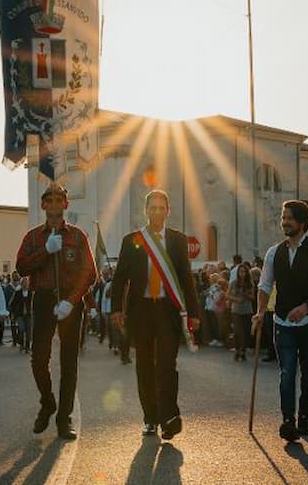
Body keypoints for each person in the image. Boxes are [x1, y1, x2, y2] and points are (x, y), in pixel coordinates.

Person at [110, 189, 199, 441]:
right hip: (141, 311)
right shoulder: (133, 240)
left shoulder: (178, 240)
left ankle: (169, 416)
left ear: (168, 211)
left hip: (167, 311)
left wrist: (193, 312)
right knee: (145, 366)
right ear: (146, 210)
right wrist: (117, 308)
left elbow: (186, 279)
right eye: (153, 208)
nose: (157, 212)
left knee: (167, 366)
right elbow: (120, 279)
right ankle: (150, 418)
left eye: (162, 208)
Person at [15, 183, 98, 441]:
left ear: (65, 204)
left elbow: (90, 273)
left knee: (68, 363)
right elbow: (21, 267)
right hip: (42, 300)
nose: (53, 204)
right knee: (38, 359)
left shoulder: (77, 236)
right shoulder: (33, 237)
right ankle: (47, 401)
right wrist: (44, 251)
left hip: (70, 303)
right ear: (42, 205)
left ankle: (64, 419)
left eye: (59, 199)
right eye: (49, 200)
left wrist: (72, 300)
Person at [252, 200, 308, 443]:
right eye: (283, 218)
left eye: (289, 218)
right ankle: (288, 421)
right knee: (287, 372)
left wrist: (306, 306)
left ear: (303, 222)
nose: (284, 222)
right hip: (282, 322)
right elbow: (264, 285)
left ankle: (304, 416)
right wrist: (259, 312)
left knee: (307, 371)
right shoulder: (273, 252)